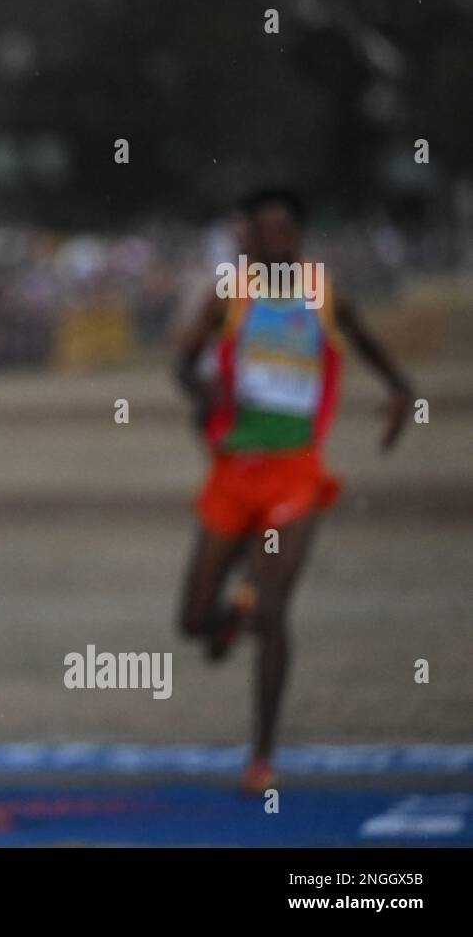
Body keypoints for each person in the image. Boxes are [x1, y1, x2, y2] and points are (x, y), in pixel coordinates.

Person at [173, 188, 413, 793]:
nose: (276, 242)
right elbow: (182, 363)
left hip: (295, 472)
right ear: (247, 239)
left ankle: (261, 756)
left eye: (287, 231)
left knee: (276, 612)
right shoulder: (230, 293)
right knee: (193, 620)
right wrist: (203, 398)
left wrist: (401, 392)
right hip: (232, 474)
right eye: (264, 232)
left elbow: (368, 343)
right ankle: (232, 615)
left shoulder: (324, 293)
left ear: (300, 237)